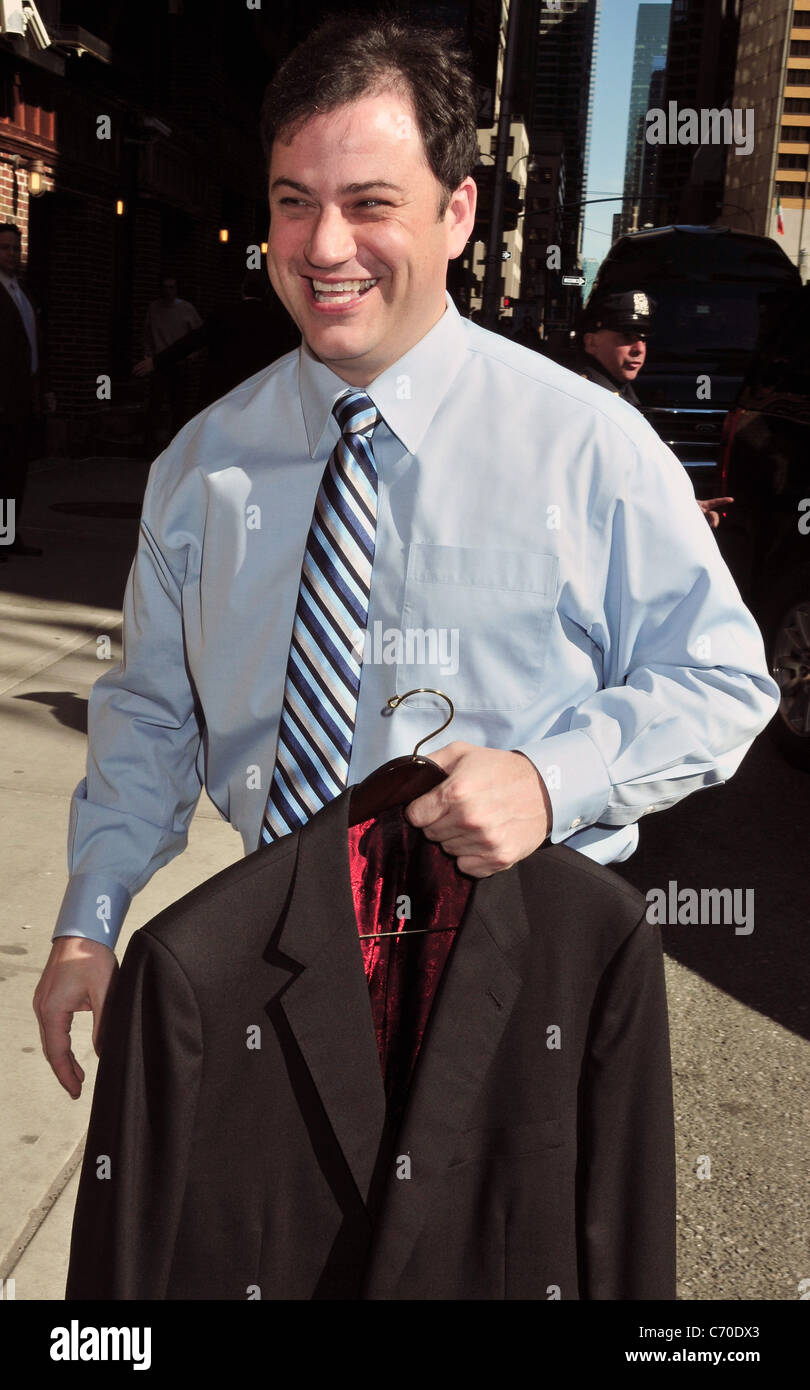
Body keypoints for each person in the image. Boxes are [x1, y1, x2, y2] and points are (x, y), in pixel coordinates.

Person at [34, 13, 779, 1101]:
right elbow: (151, 713)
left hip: (509, 1002)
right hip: (272, 986)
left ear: (459, 212)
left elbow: (722, 680)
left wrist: (548, 777)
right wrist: (88, 920)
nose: (325, 247)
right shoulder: (202, 468)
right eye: (296, 203)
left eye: (370, 203)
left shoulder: (588, 450)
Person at [572, 290, 732, 527]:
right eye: (627, 336)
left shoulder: (621, 392)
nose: (639, 348)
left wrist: (683, 507)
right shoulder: (584, 400)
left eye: (644, 338)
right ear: (591, 342)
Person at [133, 270, 299, 406]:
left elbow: (191, 341)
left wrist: (157, 361)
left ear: (242, 289)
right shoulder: (278, 322)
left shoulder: (224, 314)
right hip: (259, 392)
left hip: (222, 391)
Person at [0, 222, 44, 559]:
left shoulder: (25, 292)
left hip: (22, 397)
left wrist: (45, 387)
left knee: (15, 471)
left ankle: (6, 536)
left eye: (16, 248)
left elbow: (35, 345)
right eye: (5, 248)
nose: (12, 254)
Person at [142, 274, 202, 448]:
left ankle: (176, 444)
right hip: (160, 362)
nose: (168, 291)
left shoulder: (186, 309)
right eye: (165, 287)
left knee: (178, 405)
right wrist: (148, 352)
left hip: (179, 363)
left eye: (171, 287)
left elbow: (198, 334)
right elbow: (146, 333)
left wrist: (192, 355)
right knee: (155, 404)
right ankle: (150, 444)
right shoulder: (154, 308)